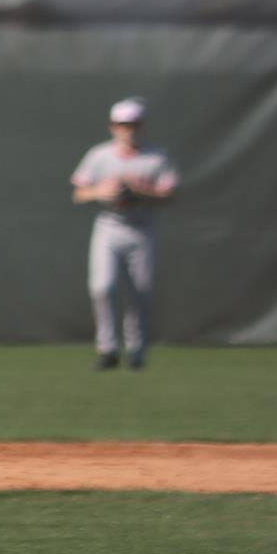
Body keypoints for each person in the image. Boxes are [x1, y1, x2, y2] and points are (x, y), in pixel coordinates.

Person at [69, 98, 179, 370]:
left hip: (141, 229)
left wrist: (139, 191)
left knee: (140, 292)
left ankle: (137, 352)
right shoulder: (99, 155)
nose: (127, 129)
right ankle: (107, 349)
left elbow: (170, 194)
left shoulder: (156, 157)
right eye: (121, 124)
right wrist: (101, 192)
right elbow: (79, 193)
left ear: (141, 126)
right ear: (112, 127)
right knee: (102, 287)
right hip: (109, 226)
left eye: (132, 124)